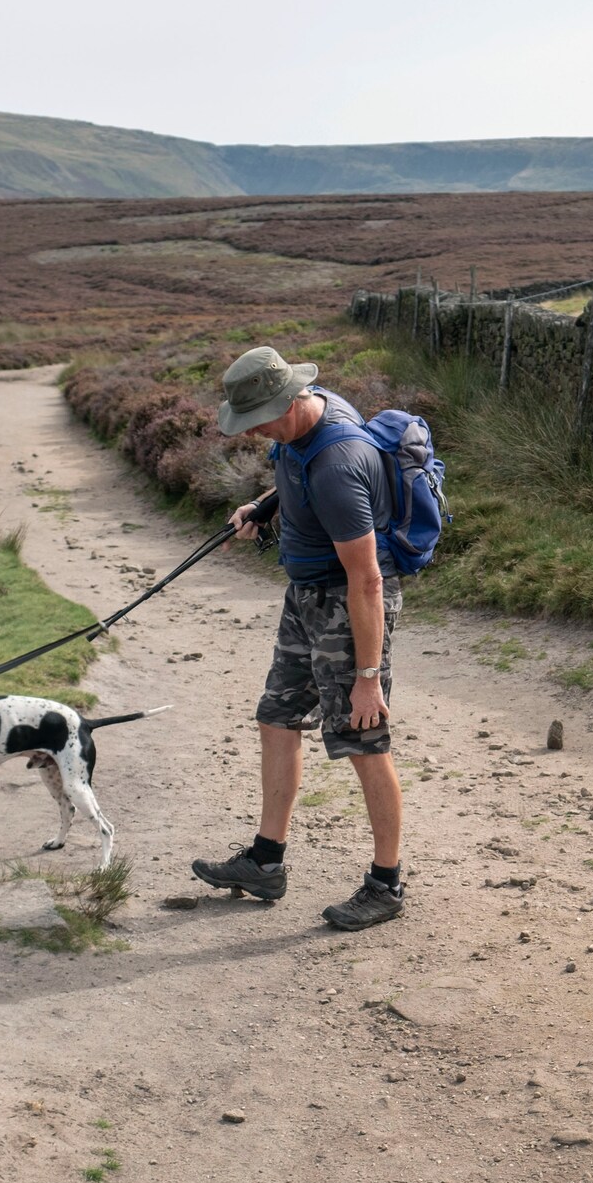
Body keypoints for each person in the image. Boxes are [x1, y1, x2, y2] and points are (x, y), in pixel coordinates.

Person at [190, 347, 406, 931]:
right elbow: (295, 473)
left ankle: (385, 885)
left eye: (257, 419)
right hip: (305, 599)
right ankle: (266, 861)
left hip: (348, 606)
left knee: (364, 740)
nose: (253, 432)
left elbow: (368, 580)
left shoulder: (340, 463)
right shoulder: (307, 421)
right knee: (277, 717)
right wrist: (262, 507)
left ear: (287, 402)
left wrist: (366, 680)